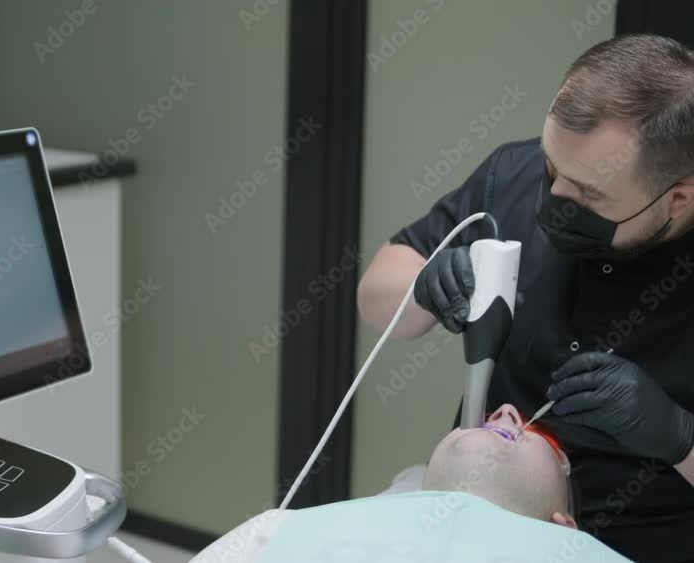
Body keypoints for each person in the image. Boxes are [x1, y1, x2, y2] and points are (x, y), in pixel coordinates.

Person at [356, 34, 694, 561]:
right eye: (552, 166)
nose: (554, 198)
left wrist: (679, 437)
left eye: (587, 193)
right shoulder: (512, 175)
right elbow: (374, 299)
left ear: (677, 199)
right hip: (472, 532)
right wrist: (422, 290)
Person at [191, 404, 628, 563]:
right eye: (483, 418)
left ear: (565, 527)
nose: (505, 412)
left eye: (542, 436)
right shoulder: (275, 531)